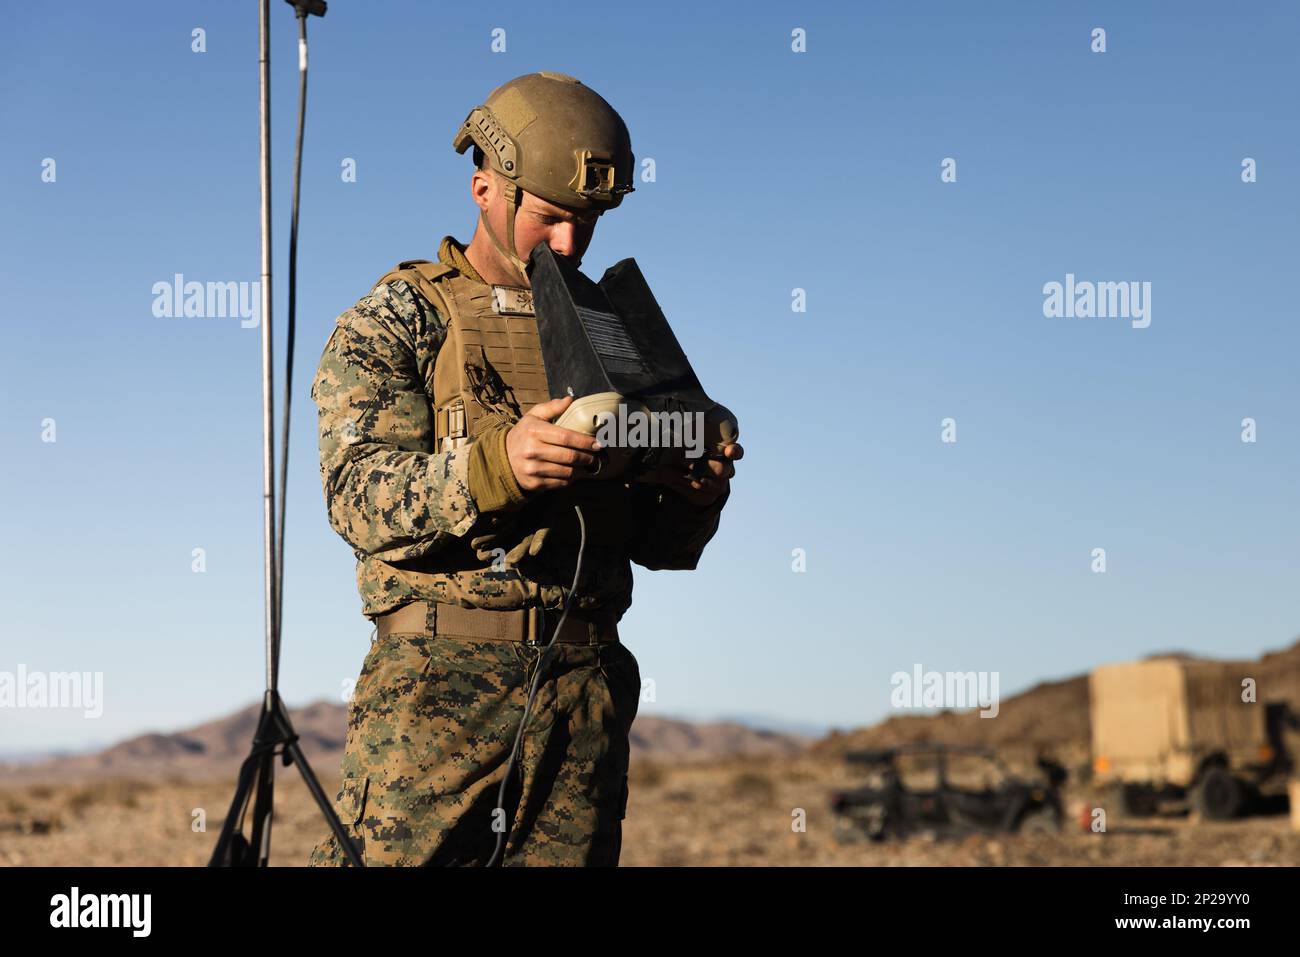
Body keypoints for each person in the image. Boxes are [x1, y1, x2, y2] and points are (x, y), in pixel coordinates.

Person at [306, 72, 741, 867]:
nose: (571, 245)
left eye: (589, 223)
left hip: (584, 696)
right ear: (484, 189)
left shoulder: (611, 332)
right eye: (550, 218)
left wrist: (693, 497)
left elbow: (660, 545)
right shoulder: (400, 317)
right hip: (436, 701)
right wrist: (497, 467)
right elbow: (356, 499)